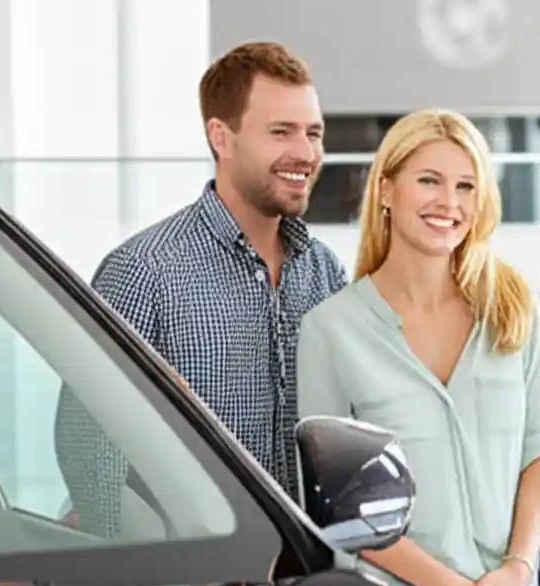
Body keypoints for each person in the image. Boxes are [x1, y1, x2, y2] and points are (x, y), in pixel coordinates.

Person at [295, 108, 540, 586]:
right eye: (430, 181)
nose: (450, 203)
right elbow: (337, 506)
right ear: (387, 190)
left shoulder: (514, 310)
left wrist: (517, 568)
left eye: (466, 186)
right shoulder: (331, 329)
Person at [55, 42, 347, 536]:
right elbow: (88, 446)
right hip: (196, 577)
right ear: (221, 138)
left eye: (313, 133)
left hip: (307, 571)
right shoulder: (142, 271)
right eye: (281, 132)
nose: (306, 153)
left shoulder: (325, 273)